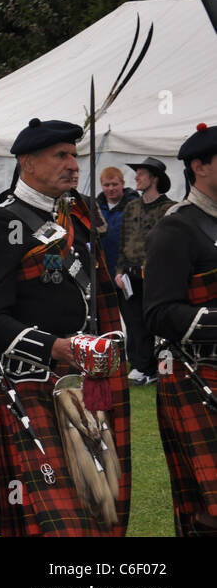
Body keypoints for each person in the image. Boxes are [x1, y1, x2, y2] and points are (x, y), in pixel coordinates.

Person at [0, 118, 131, 536]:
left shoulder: (76, 220)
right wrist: (57, 347)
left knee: (96, 511)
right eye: (60, 156)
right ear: (28, 163)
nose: (73, 166)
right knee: (55, 522)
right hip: (25, 383)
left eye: (74, 156)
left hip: (80, 383)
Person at [143, 124, 217, 535]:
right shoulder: (176, 229)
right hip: (197, 379)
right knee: (208, 510)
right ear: (199, 166)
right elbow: (158, 313)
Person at [116, 157, 174, 386]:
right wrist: (120, 270)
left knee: (158, 322)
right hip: (130, 275)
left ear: (154, 178)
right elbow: (124, 242)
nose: (136, 178)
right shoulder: (132, 206)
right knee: (133, 321)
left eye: (141, 173)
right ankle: (141, 366)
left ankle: (159, 367)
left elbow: (169, 247)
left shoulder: (169, 208)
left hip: (154, 274)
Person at [97, 166, 138, 286]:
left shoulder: (134, 207)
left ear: (123, 183)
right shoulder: (95, 208)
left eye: (115, 184)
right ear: (101, 185)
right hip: (101, 271)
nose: (111, 189)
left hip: (126, 273)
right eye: (106, 185)